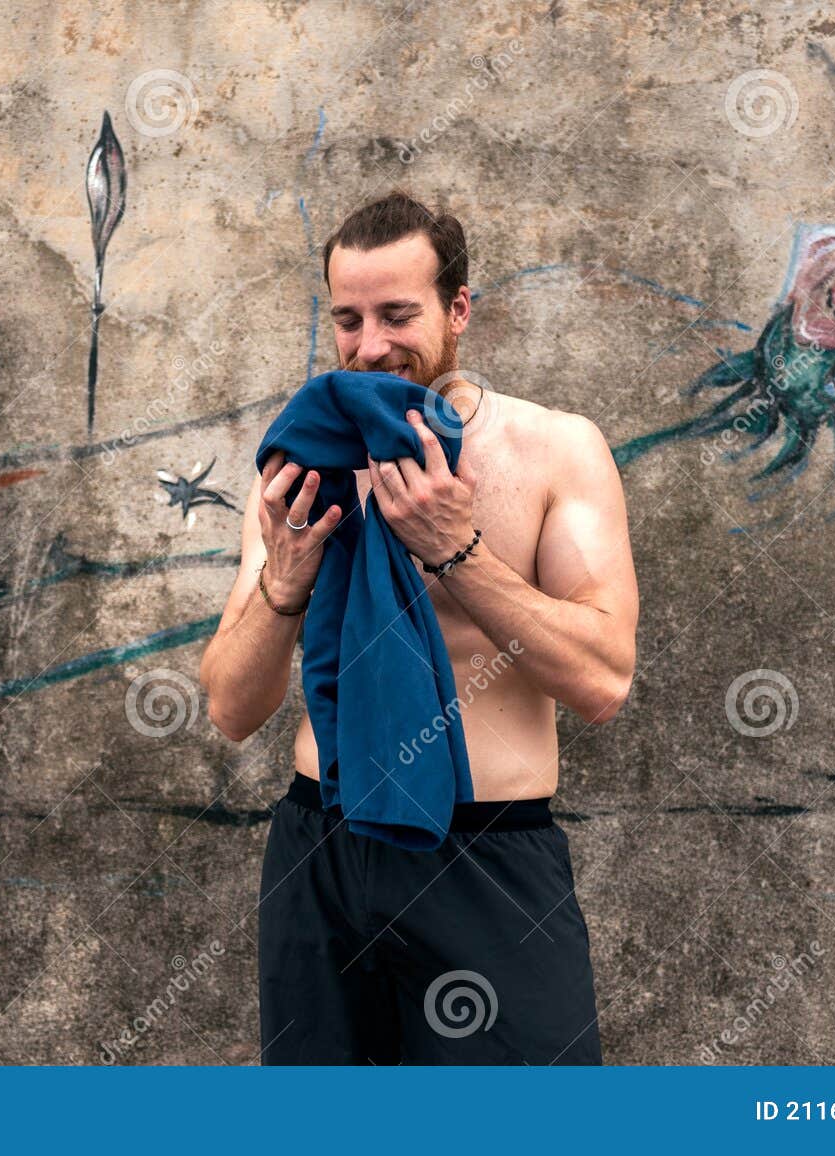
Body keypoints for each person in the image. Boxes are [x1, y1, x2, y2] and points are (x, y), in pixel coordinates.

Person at [198, 188, 639, 1064]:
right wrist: (284, 589)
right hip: (322, 847)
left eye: (398, 314)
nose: (370, 346)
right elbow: (230, 709)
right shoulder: (303, 466)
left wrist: (457, 550)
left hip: (487, 856)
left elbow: (602, 680)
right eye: (348, 319)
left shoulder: (554, 450)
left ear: (459, 309)